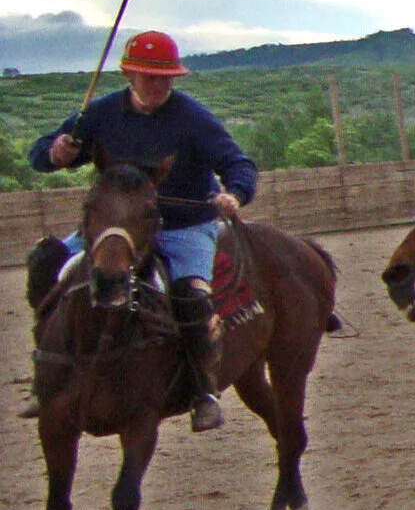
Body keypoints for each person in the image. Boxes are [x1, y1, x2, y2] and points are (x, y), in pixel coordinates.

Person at [24, 30, 258, 430]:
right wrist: (56, 152)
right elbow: (41, 154)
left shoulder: (193, 118)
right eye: (150, 76)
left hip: (182, 226)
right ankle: (48, 373)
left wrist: (234, 194)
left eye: (166, 77)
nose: (158, 84)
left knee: (192, 296)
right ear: (129, 74)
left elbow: (239, 164)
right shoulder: (100, 113)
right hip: (116, 226)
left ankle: (203, 391)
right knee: (46, 262)